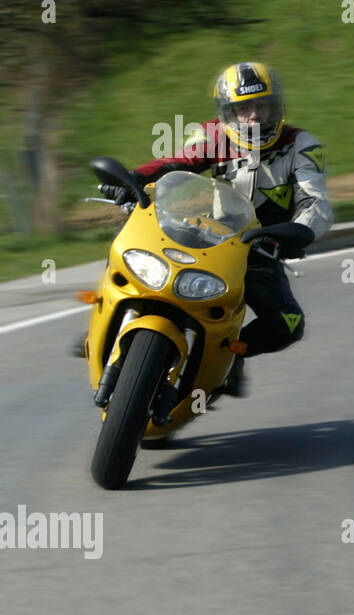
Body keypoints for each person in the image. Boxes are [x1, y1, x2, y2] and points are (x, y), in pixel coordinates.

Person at [97, 62, 333, 396]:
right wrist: (135, 178)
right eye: (244, 108)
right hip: (208, 238)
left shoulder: (301, 145)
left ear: (276, 106)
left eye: (262, 106)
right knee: (132, 254)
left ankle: (232, 356)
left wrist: (298, 232)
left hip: (262, 248)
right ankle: (106, 319)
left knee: (288, 325)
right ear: (228, 112)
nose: (253, 117)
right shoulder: (214, 134)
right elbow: (175, 163)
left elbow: (316, 203)